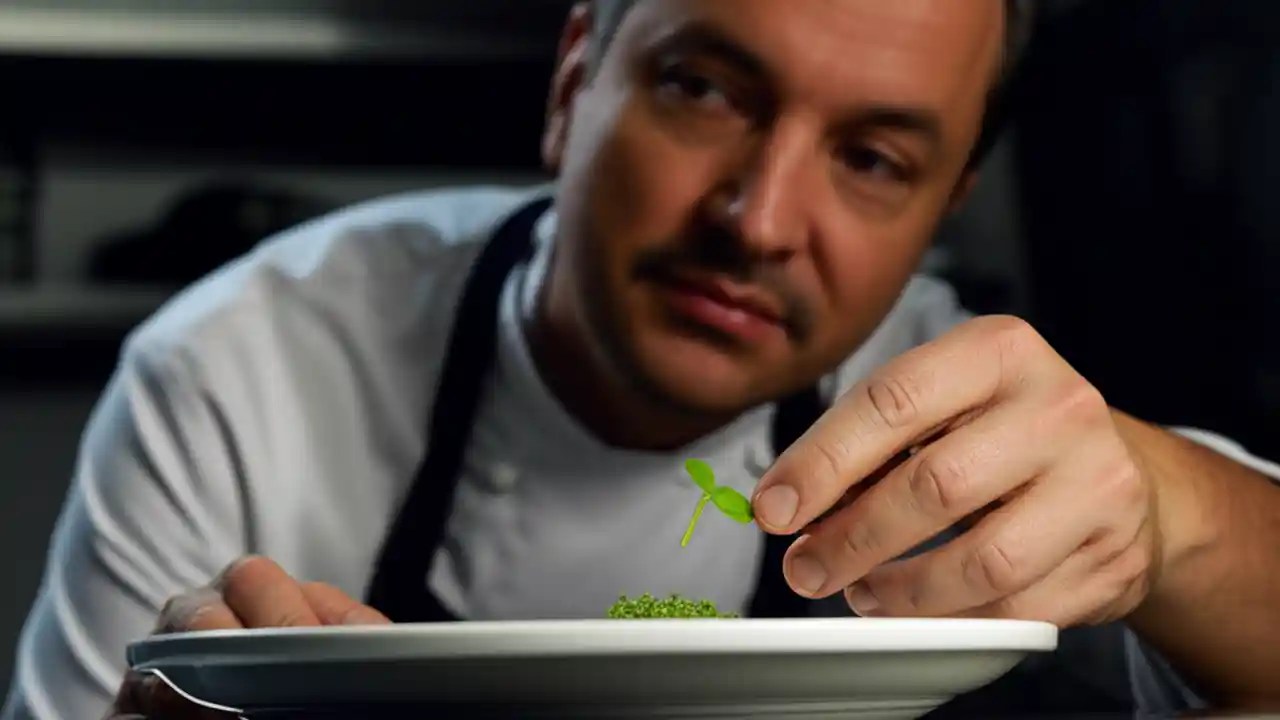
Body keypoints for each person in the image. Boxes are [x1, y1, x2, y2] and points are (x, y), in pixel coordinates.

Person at [5, 1, 1279, 718]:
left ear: (945, 203)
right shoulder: (241, 369)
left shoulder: (974, 422)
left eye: (872, 159)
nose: (758, 220)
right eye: (705, 90)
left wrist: (1165, 510)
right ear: (574, 83)